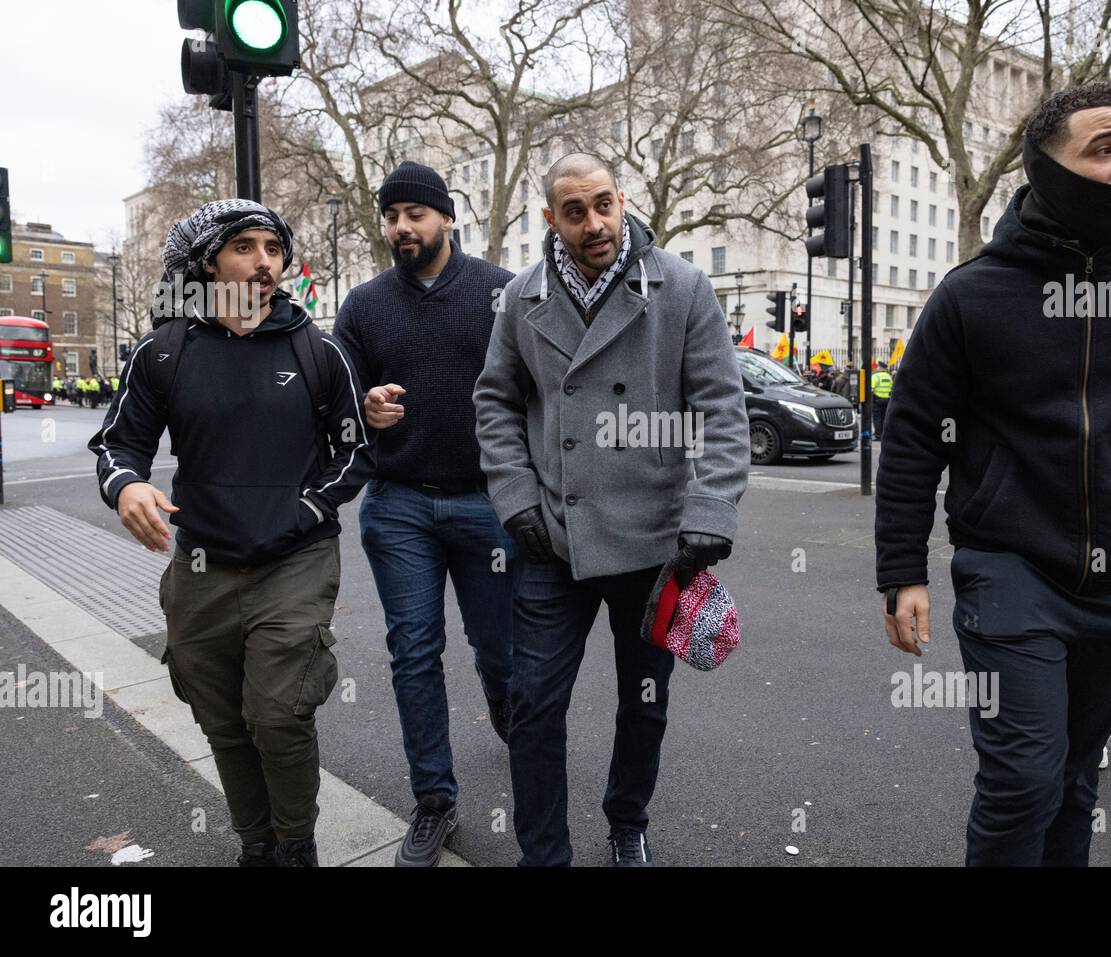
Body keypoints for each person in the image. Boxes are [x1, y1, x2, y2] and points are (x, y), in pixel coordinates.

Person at [874, 84, 1111, 867]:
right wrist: (903, 569)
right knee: (1024, 778)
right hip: (1012, 573)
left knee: (1072, 775)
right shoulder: (972, 293)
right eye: (1102, 148)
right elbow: (911, 440)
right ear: (1045, 165)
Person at [475, 152, 750, 866]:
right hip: (554, 539)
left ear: (622, 197)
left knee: (646, 698)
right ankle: (545, 853)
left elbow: (722, 408)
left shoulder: (683, 288)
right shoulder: (520, 299)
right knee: (533, 706)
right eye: (575, 211)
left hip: (655, 540)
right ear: (549, 219)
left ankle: (628, 818)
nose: (595, 223)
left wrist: (712, 508)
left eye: (604, 203)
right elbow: (495, 402)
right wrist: (514, 497)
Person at [88, 198, 374, 867]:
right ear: (207, 260)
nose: (265, 261)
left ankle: (296, 845)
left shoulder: (317, 347)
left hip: (295, 561)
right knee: (221, 719)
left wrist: (306, 511)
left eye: (273, 248)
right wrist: (128, 485)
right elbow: (117, 445)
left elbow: (355, 449)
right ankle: (258, 844)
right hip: (201, 567)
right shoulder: (163, 352)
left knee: (279, 714)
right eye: (245, 247)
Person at [332, 161, 519, 868]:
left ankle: (503, 700)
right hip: (400, 504)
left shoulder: (502, 292)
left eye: (416, 213)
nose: (402, 226)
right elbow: (338, 404)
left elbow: (534, 391)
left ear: (446, 217)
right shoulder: (362, 306)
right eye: (392, 216)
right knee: (414, 653)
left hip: (487, 503)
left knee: (499, 648)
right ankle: (434, 800)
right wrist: (364, 410)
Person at [870, 364, 893, 441]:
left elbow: (871, 389)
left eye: (877, 367)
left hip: (877, 399)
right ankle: (883, 433)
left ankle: (878, 435)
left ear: (879, 368)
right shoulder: (889, 376)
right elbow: (892, 387)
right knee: (884, 417)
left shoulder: (875, 376)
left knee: (877, 418)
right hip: (887, 399)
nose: (876, 368)